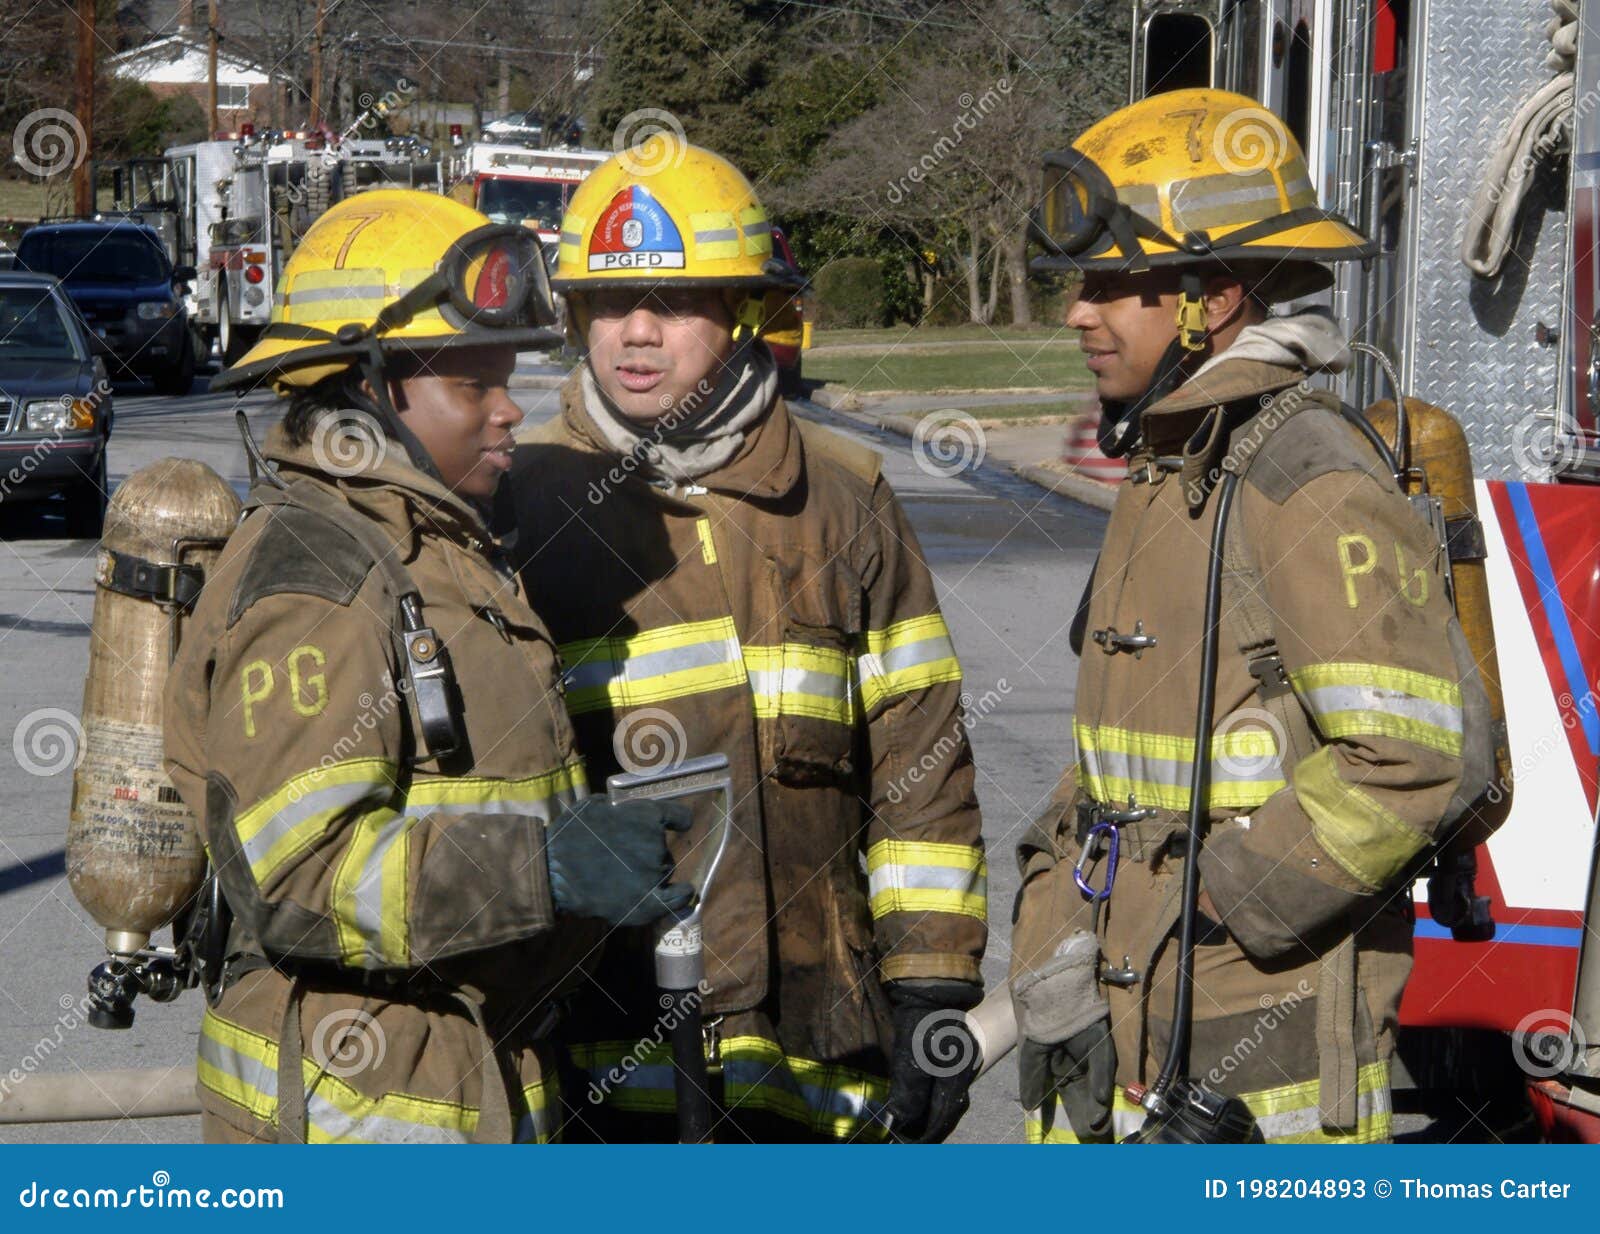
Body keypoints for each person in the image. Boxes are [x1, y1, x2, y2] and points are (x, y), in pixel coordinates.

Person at [1009, 90, 1491, 1144]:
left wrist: (1221, 900)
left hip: (1254, 1077)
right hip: (1122, 1013)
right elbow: (1115, 760)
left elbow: (1413, 757)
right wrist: (1054, 929)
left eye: (1109, 283)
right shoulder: (1175, 458)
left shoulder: (1300, 472)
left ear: (1210, 291)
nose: (1077, 312)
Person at [164, 190, 693, 1144]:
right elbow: (296, 873)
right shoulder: (316, 582)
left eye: (508, 380)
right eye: (473, 386)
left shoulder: (435, 547)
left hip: (464, 1083)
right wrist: (543, 868)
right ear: (369, 391)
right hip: (356, 1114)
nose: (509, 412)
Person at [501, 138, 988, 1143]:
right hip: (599, 1042)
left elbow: (919, 759)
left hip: (819, 1032)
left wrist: (931, 983)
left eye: (674, 304)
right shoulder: (522, 503)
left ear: (742, 313)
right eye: (607, 305)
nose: (635, 334)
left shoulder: (841, 496)